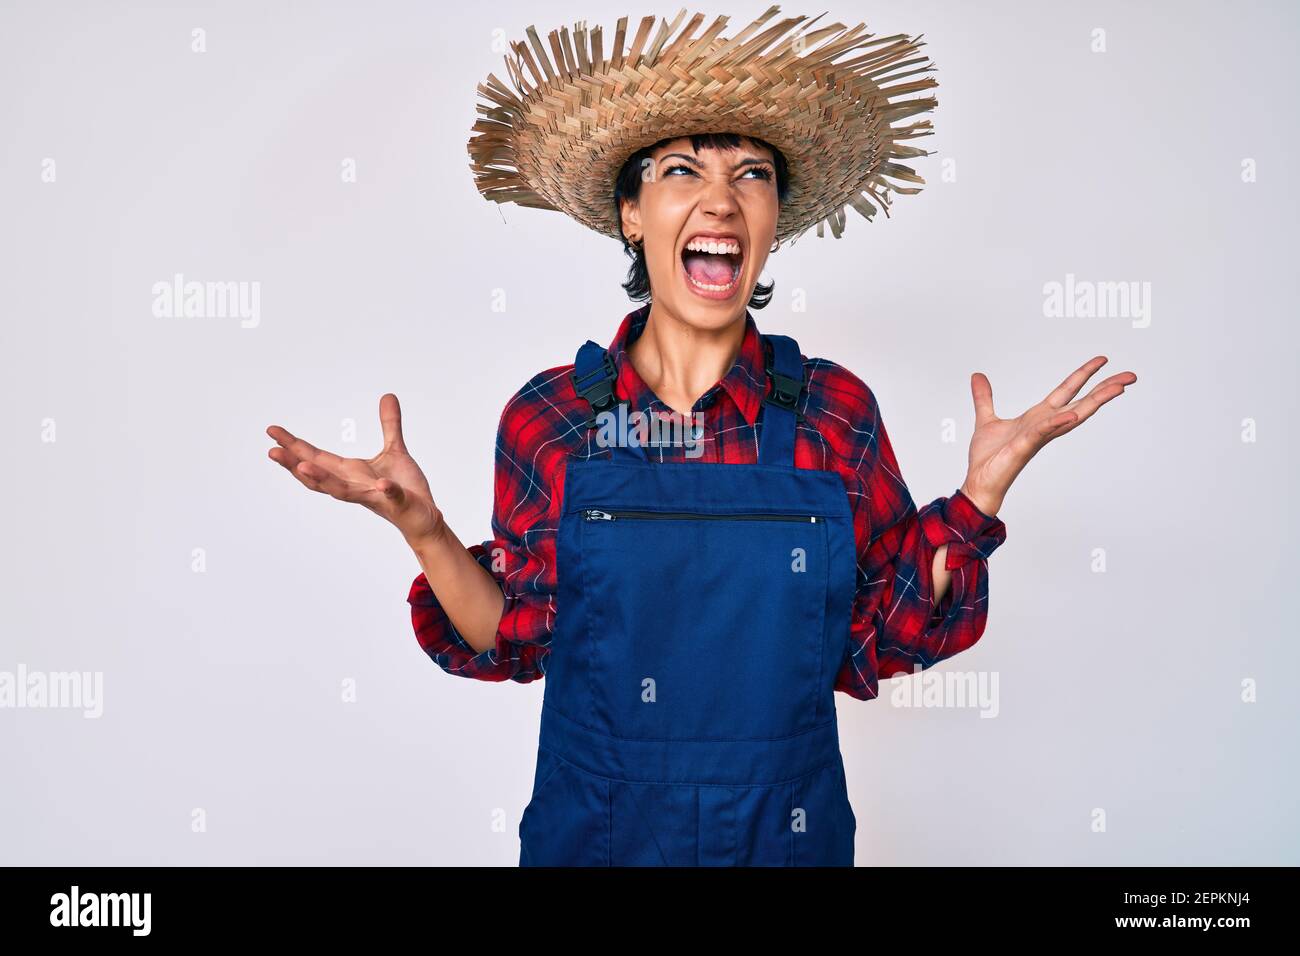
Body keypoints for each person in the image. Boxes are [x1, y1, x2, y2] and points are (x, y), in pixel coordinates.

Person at [266, 8, 1135, 866]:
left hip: (787, 840)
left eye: (752, 174)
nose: (721, 198)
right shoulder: (552, 418)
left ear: (772, 220)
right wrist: (422, 528)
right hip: (596, 839)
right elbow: (517, 637)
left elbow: (881, 633)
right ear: (632, 213)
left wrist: (980, 496)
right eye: (682, 169)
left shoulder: (833, 412)